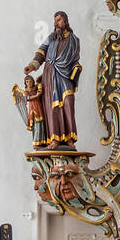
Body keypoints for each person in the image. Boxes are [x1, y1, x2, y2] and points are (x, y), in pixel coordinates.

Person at [25, 12, 81, 148]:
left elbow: (75, 60)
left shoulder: (74, 40)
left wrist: (77, 69)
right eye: (55, 20)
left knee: (68, 102)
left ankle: (69, 138)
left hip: (65, 75)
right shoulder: (51, 38)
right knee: (53, 106)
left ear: (66, 21)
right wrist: (32, 66)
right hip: (50, 75)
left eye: (59, 20)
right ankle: (55, 138)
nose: (56, 23)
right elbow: (41, 52)